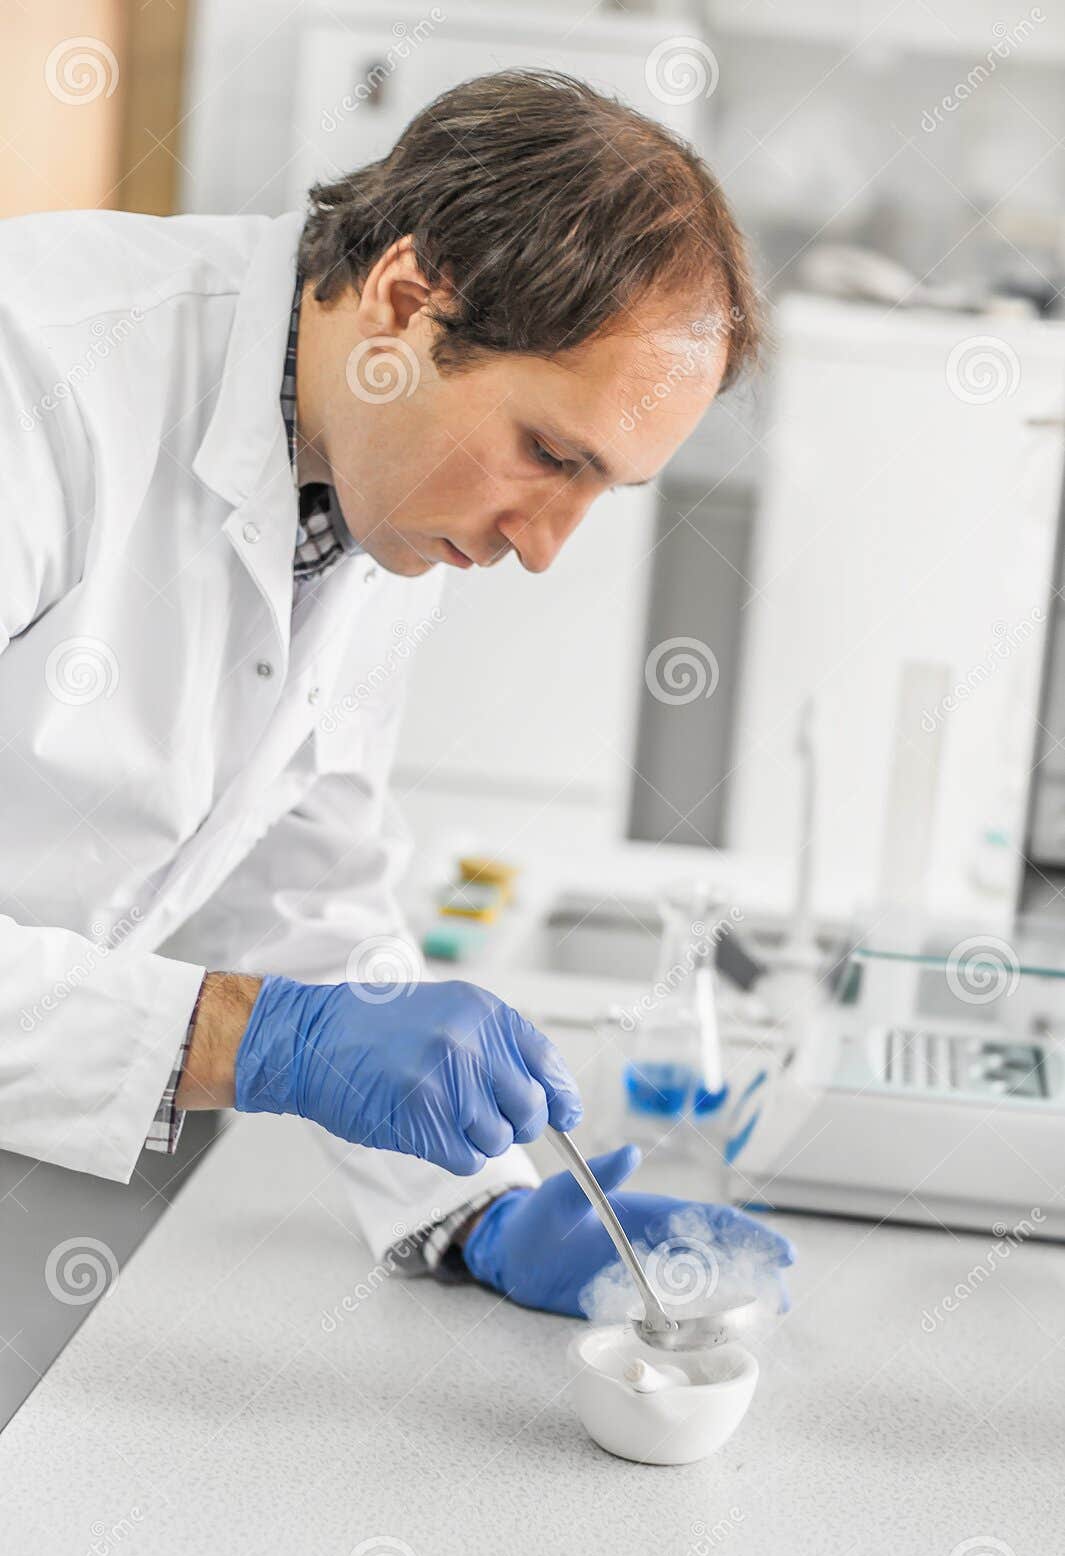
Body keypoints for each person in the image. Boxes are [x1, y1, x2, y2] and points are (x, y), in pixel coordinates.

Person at [0, 70, 791, 1311]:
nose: (545, 545)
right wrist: (257, 1040)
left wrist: (475, 1200)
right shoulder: (37, 373)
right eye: (550, 453)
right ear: (409, 300)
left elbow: (299, 872)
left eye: (600, 488)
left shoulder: (378, 484)